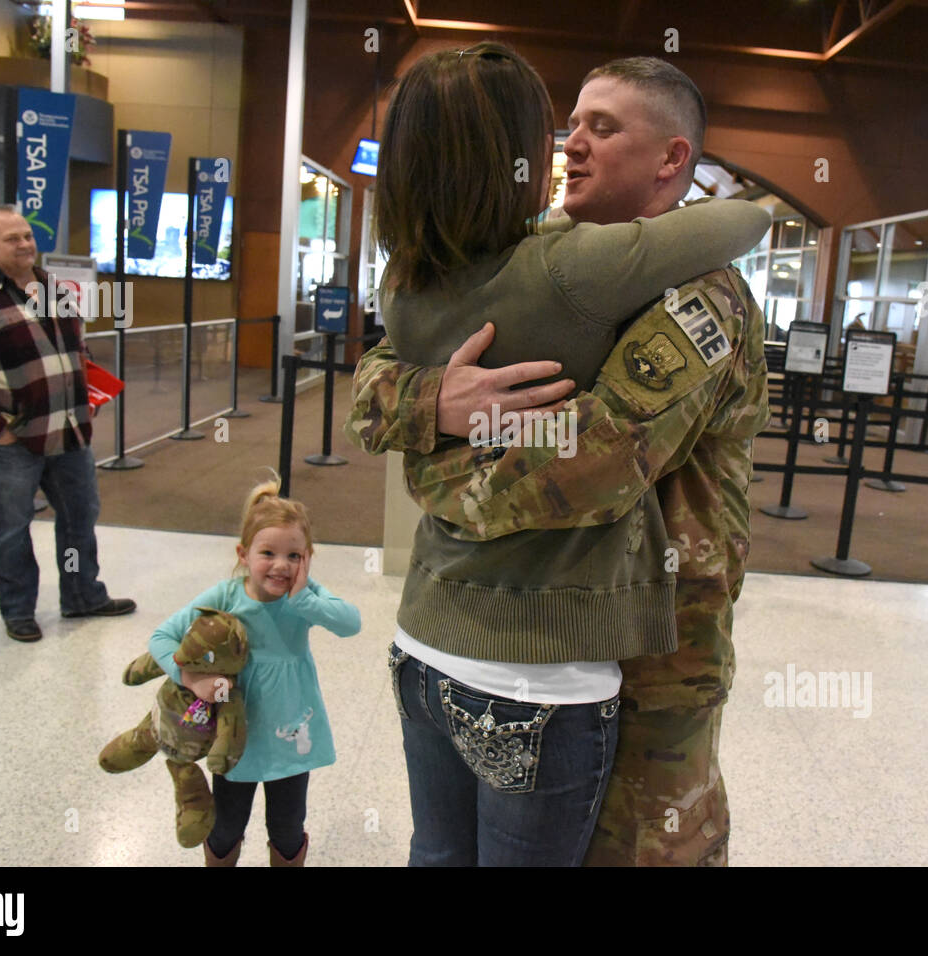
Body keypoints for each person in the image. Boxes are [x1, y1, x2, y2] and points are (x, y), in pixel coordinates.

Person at [345, 44, 768, 867]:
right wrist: (435, 400)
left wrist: (430, 462)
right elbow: (375, 375)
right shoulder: (531, 251)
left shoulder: (700, 295)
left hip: (654, 656)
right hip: (537, 653)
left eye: (601, 129)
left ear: (670, 158)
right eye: (569, 124)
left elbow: (588, 464)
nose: (570, 143)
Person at [0, 205, 135, 642]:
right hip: (12, 440)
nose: (25, 244)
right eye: (12, 238)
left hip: (68, 431)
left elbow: (76, 348)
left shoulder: (53, 287)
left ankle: (82, 595)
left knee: (79, 518)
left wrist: (87, 394)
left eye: (27, 235)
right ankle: (18, 610)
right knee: (11, 527)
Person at [147, 476, 361, 866]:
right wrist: (192, 679)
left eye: (294, 556)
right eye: (268, 553)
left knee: (287, 826)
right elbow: (162, 638)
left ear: (308, 557)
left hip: (292, 735)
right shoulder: (225, 596)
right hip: (234, 740)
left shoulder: (307, 596)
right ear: (243, 554)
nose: (281, 565)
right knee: (226, 824)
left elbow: (351, 623)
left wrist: (304, 599)